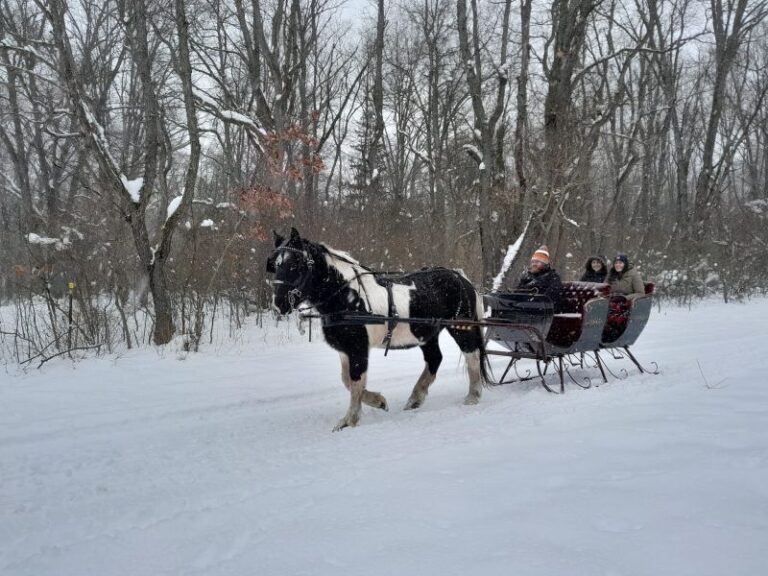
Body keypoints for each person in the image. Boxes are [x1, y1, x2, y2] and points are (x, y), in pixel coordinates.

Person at [603, 254, 645, 341]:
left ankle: (612, 334)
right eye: (616, 263)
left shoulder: (634, 275)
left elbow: (641, 293)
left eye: (620, 263)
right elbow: (604, 288)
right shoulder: (611, 274)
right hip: (611, 299)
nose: (618, 265)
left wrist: (625, 298)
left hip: (625, 303)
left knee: (614, 309)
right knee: (599, 308)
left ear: (625, 264)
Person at [517, 245, 562, 311]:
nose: (534, 264)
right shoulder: (527, 277)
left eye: (538, 262)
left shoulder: (553, 277)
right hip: (525, 309)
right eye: (533, 262)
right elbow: (518, 292)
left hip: (544, 311)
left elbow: (550, 297)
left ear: (545, 263)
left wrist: (532, 303)